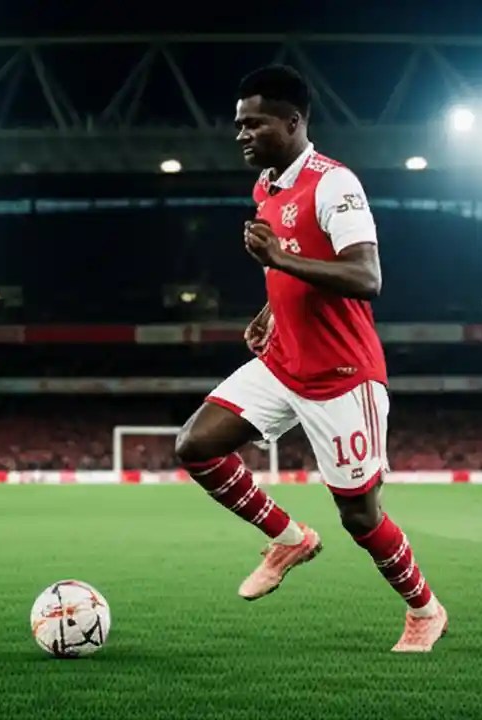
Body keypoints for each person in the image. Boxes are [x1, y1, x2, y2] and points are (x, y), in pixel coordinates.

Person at [173, 64, 447, 652]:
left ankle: (424, 609)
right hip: (283, 361)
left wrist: (279, 259)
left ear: (293, 122)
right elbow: (291, 262)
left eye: (255, 124)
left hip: (343, 375)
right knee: (195, 444)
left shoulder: (334, 185)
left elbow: (366, 275)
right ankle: (289, 538)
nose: (241, 134)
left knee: (360, 518)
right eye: (239, 125)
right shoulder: (267, 187)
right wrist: (269, 311)